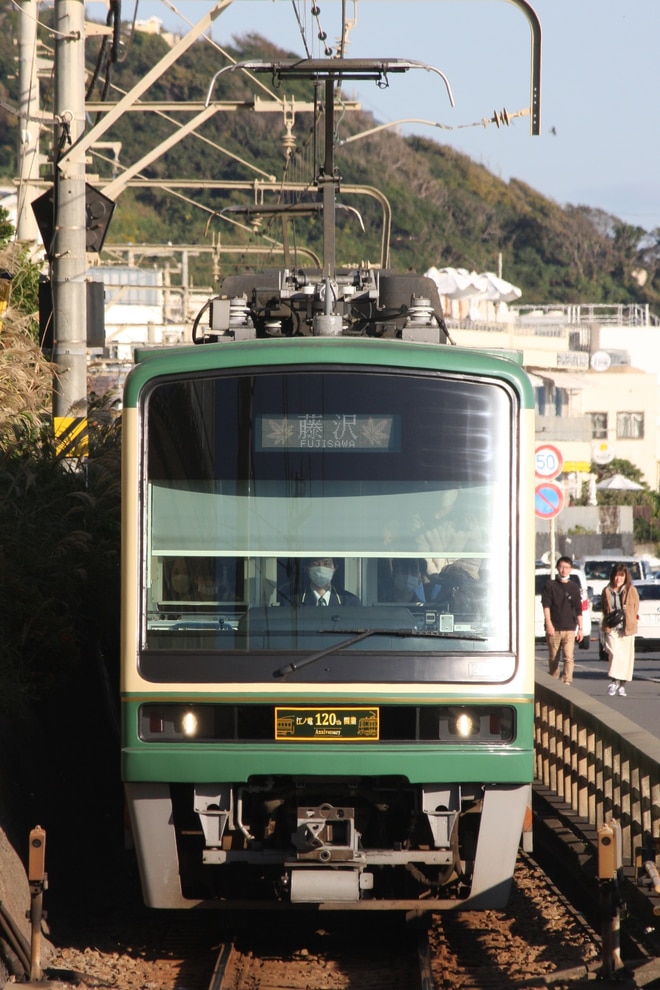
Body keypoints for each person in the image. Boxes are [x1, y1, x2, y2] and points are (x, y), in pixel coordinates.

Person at [541, 556, 584, 684]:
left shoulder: (574, 587)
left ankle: (567, 681)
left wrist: (580, 629)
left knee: (568, 657)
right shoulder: (550, 585)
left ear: (570, 569)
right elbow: (546, 605)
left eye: (566, 567)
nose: (563, 570)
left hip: (570, 628)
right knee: (554, 658)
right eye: (561, 567)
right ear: (557, 568)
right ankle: (554, 682)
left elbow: (578, 609)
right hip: (554, 628)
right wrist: (549, 623)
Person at [602, 563, 639, 697]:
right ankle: (614, 681)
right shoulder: (606, 590)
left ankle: (622, 685)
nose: (618, 579)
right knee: (614, 654)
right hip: (612, 628)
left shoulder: (631, 590)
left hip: (627, 629)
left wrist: (628, 618)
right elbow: (604, 608)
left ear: (625, 577)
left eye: (621, 576)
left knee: (626, 658)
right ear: (612, 576)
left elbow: (635, 608)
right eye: (616, 576)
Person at [279, 558, 360, 606]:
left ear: (335, 568)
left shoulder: (351, 602)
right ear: (307, 569)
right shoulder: (290, 601)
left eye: (326, 563)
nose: (321, 567)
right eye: (315, 563)